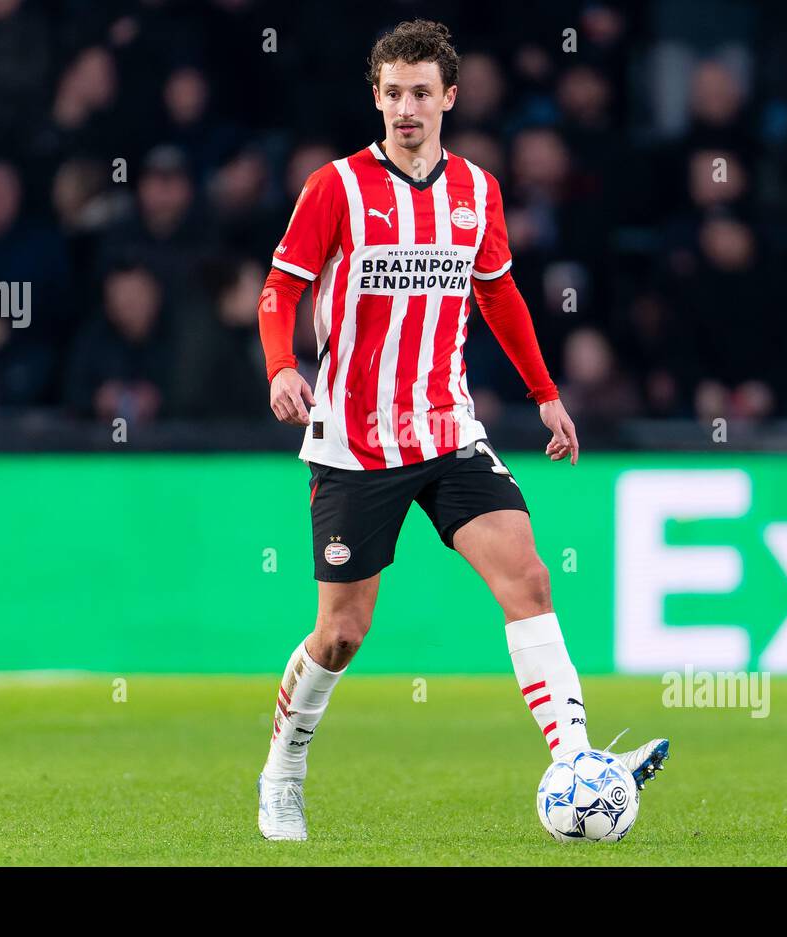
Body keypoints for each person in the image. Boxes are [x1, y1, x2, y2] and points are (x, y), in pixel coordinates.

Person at [253, 19, 669, 842]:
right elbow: (279, 289)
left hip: (448, 430)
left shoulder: (477, 192)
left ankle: (578, 758)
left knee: (529, 579)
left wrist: (545, 394)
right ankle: (284, 769)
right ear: (376, 98)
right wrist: (280, 367)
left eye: (421, 93)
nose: (406, 108)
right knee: (341, 635)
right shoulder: (335, 188)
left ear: (449, 98)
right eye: (392, 93)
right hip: (355, 442)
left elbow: (500, 295)